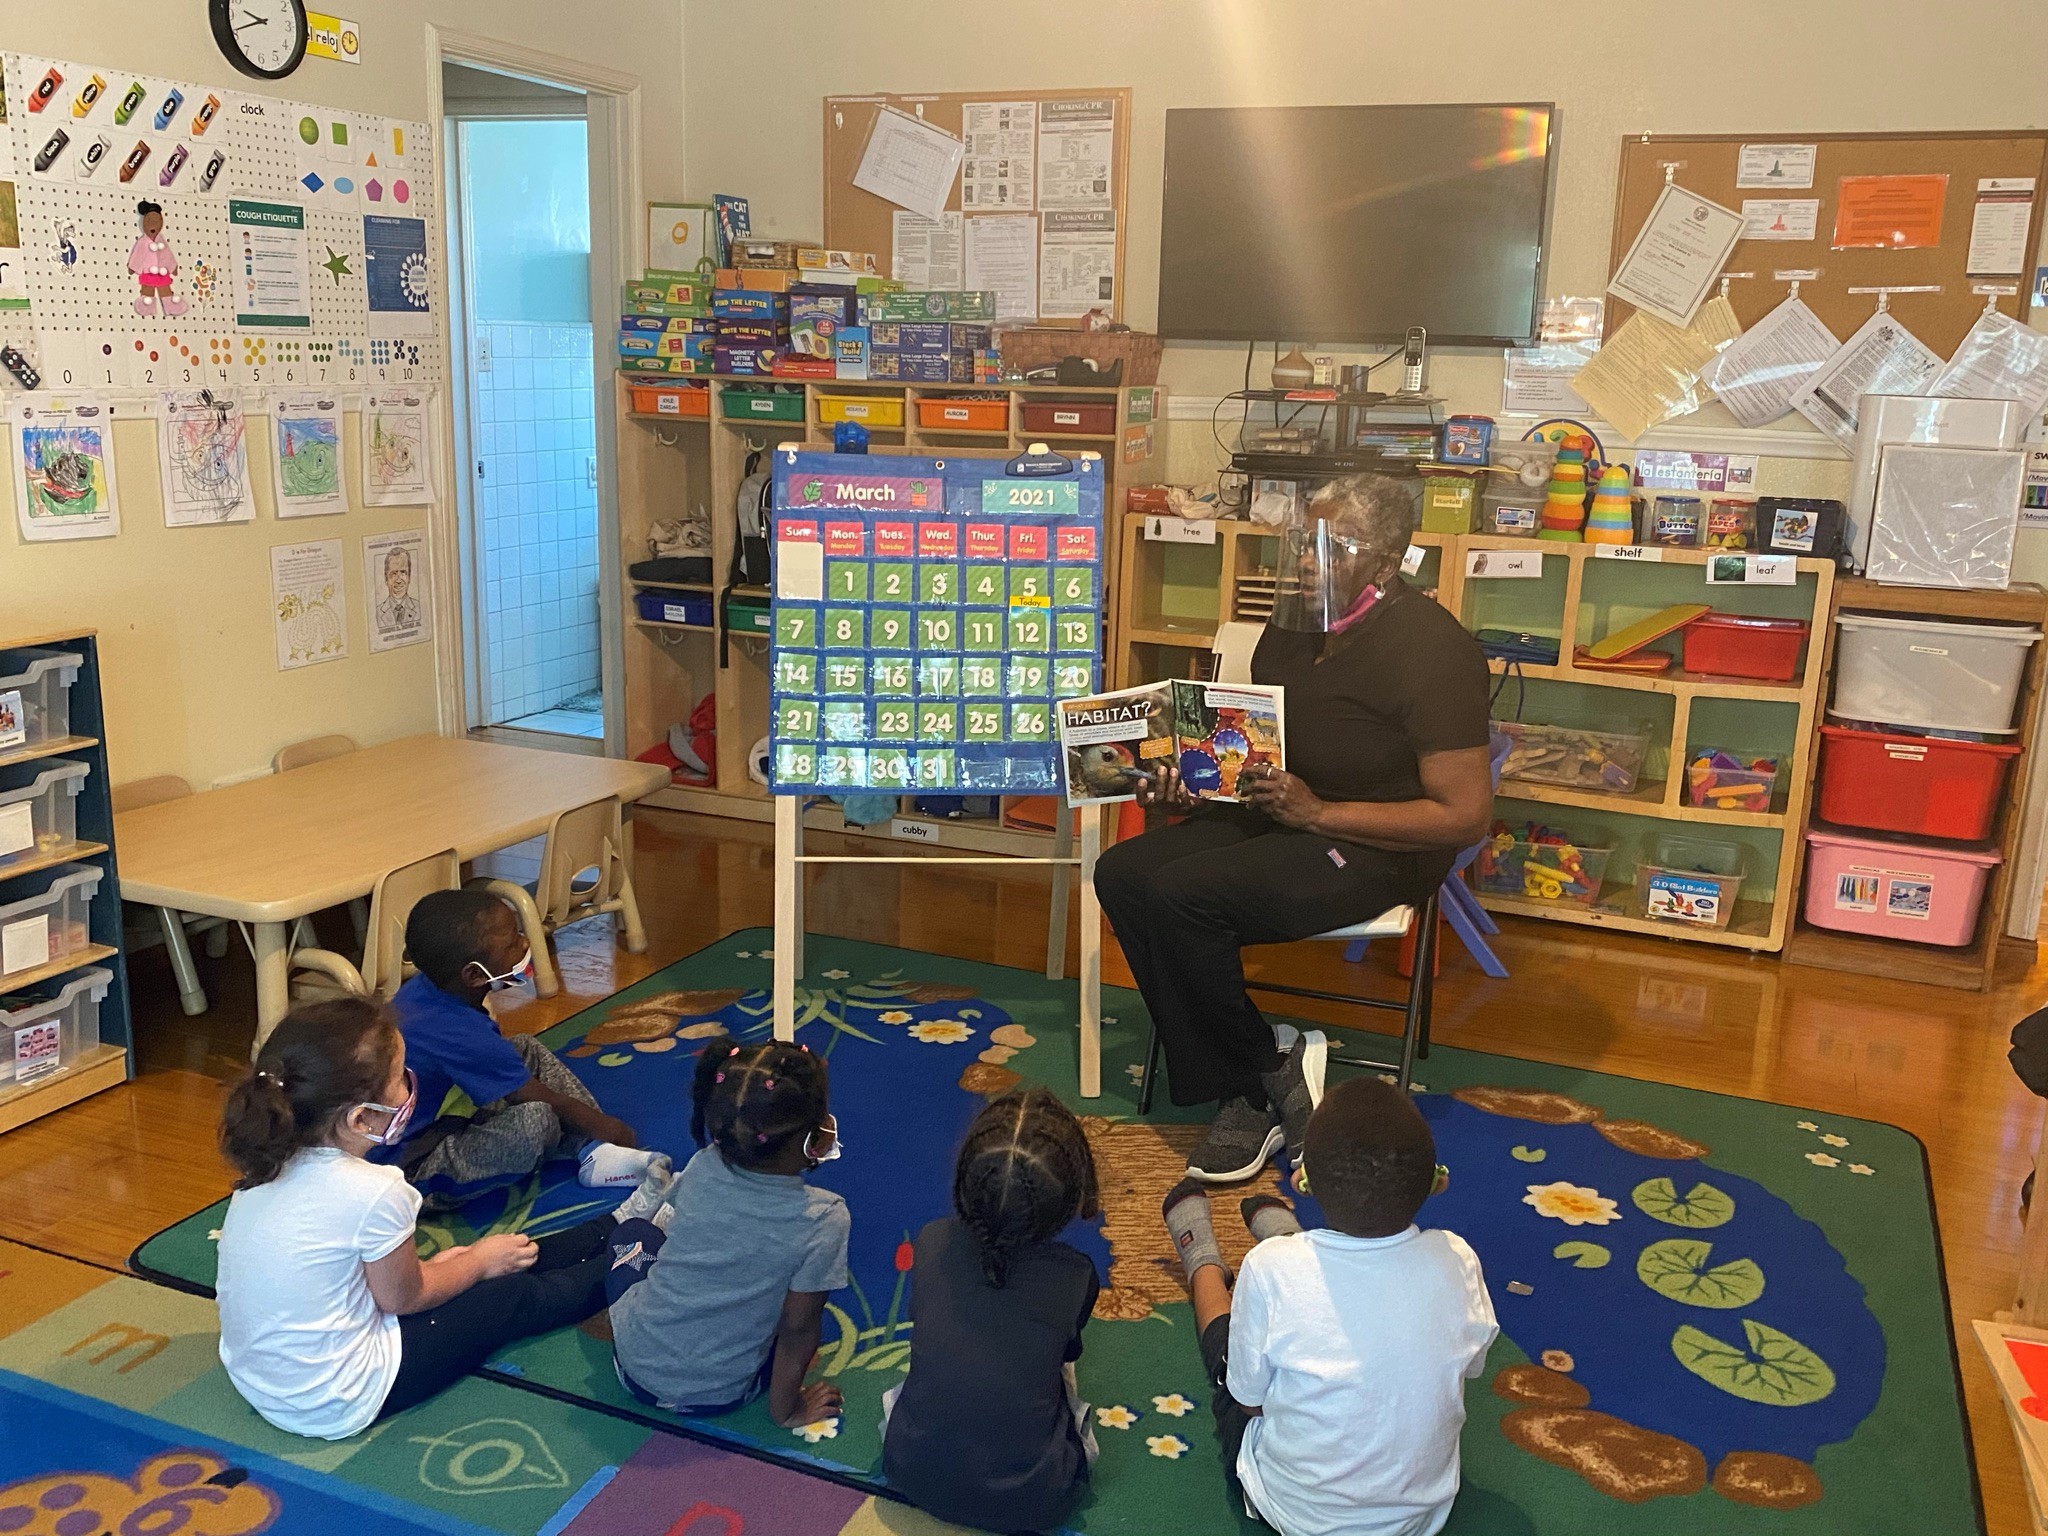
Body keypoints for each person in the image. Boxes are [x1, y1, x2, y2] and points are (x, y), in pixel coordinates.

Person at [1094, 473, 1495, 1182]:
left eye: (1330, 547)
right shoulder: (1292, 622)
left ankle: (1249, 1086)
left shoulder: (1435, 651)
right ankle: (1267, 1063)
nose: (1307, 561)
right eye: (1301, 543)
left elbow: (1464, 816)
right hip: (1287, 809)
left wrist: (1320, 814)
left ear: (1385, 562)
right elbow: (1260, 750)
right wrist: (1182, 786)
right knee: (1123, 873)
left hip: (1379, 842)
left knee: (1186, 896)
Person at [213, 996, 637, 1439]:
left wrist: (456, 1266)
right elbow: (403, 1299)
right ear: (361, 1118)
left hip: (264, 1380)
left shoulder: (263, 1169)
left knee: (498, 1258)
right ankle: (636, 1252)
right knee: (505, 1295)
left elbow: (350, 1278)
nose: (409, 1087)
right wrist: (473, 1264)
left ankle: (613, 1225)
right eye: (400, 1078)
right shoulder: (375, 1191)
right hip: (336, 1398)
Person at [1159, 1076, 1497, 1536]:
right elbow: (1469, 1368)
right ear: (1436, 1184)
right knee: (1294, 1285)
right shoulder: (1458, 1259)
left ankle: (1202, 1260)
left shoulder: (1267, 1270)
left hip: (1296, 1515)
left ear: (1305, 1184)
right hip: (1419, 1520)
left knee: (1226, 1355)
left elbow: (1249, 1400)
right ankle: (1287, 1235)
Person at [883, 1088, 1103, 1533]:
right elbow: (1064, 1358)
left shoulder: (931, 1241)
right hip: (1035, 1501)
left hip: (908, 1470)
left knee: (904, 1391)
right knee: (1068, 1404)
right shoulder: (1076, 1274)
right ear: (1067, 1201)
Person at [607, 1035, 849, 1427]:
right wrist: (788, 1410)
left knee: (632, 1233)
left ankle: (650, 1200)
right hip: (721, 1394)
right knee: (791, 1313)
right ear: (816, 1139)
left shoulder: (705, 1163)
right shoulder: (825, 1217)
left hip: (635, 1370)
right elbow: (798, 1327)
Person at [384, 889, 652, 1207]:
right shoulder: (460, 1032)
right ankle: (425, 1191)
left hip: (441, 1113)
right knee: (537, 1121)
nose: (524, 943)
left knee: (524, 1047)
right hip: (406, 1167)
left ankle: (591, 1151)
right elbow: (550, 1102)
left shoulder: (427, 989)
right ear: (472, 974)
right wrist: (611, 1128)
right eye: (512, 943)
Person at [374, 545, 420, 636]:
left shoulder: (419, 608)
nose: (399, 580)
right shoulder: (377, 612)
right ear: (386, 579)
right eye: (394, 574)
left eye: (403, 573)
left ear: (409, 577)